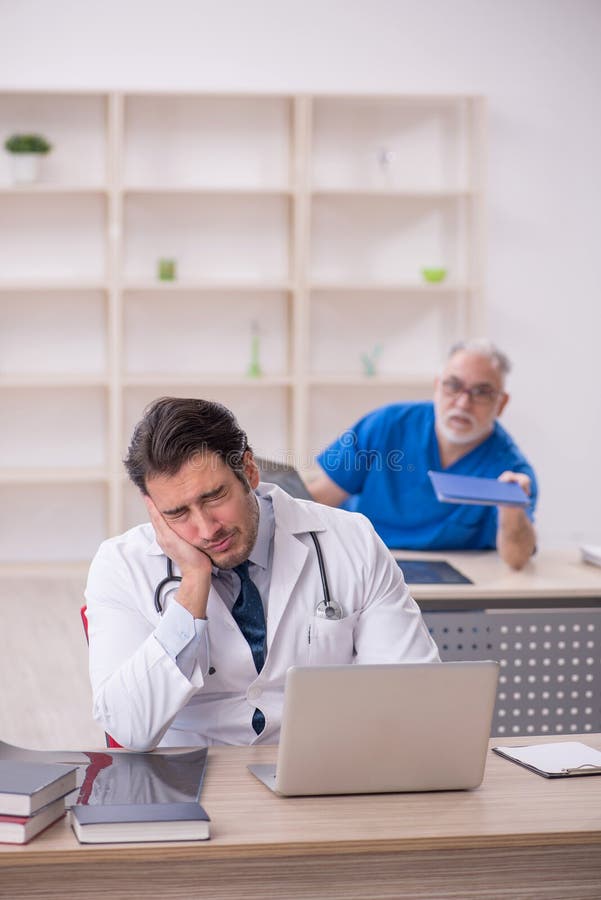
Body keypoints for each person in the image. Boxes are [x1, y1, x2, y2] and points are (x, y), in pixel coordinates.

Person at [85, 397, 439, 751]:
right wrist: (193, 586)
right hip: (189, 784)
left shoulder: (351, 539)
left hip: (325, 769)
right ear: (154, 511)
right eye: (177, 513)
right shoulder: (121, 565)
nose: (206, 529)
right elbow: (131, 729)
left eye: (214, 496)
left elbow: (410, 692)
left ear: (249, 470)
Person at [309, 339, 537, 570]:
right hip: (363, 565)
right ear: (437, 387)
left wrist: (513, 510)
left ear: (501, 403)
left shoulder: (511, 471)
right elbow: (318, 500)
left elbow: (516, 559)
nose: (463, 402)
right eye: (453, 385)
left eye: (482, 392)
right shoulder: (385, 425)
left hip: (452, 584)